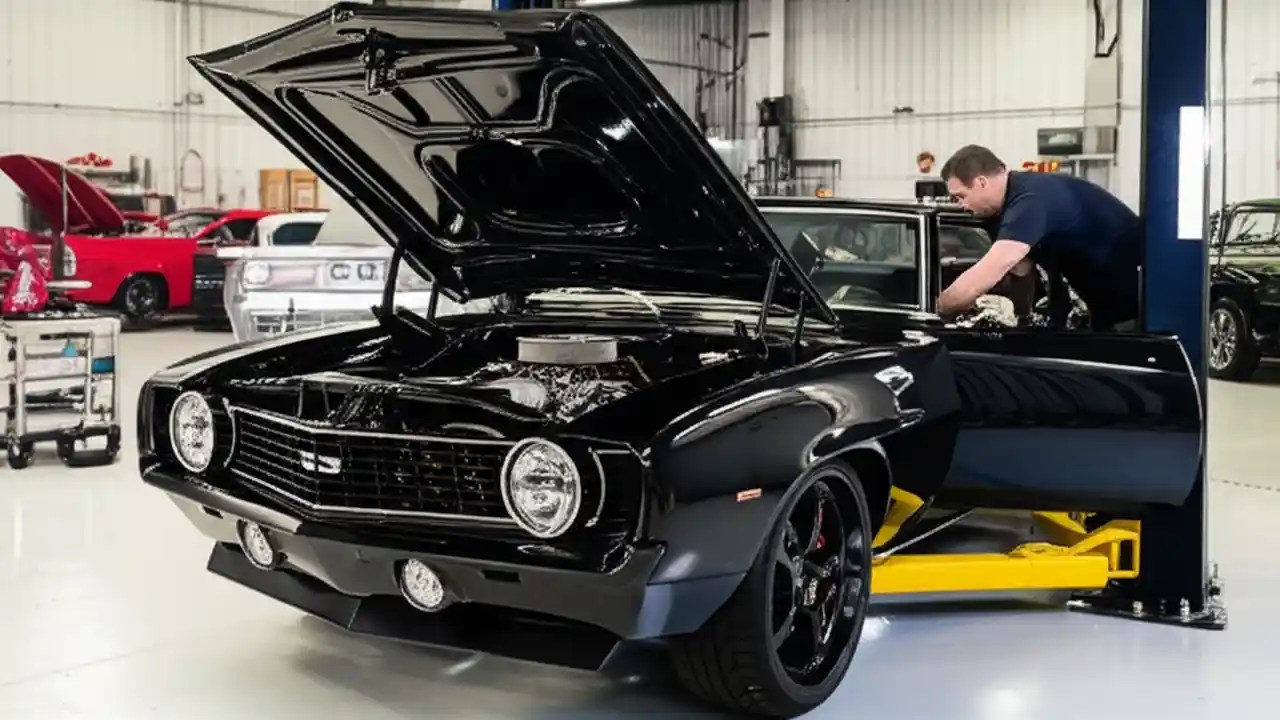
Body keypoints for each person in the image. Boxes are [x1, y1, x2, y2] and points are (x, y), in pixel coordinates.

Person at [937, 144, 1142, 330]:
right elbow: (1021, 269)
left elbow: (987, 273)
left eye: (959, 196)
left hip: (1135, 302)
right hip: (1100, 302)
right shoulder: (1003, 207)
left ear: (981, 183)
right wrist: (1022, 319)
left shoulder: (1029, 201)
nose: (959, 206)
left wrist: (939, 313)